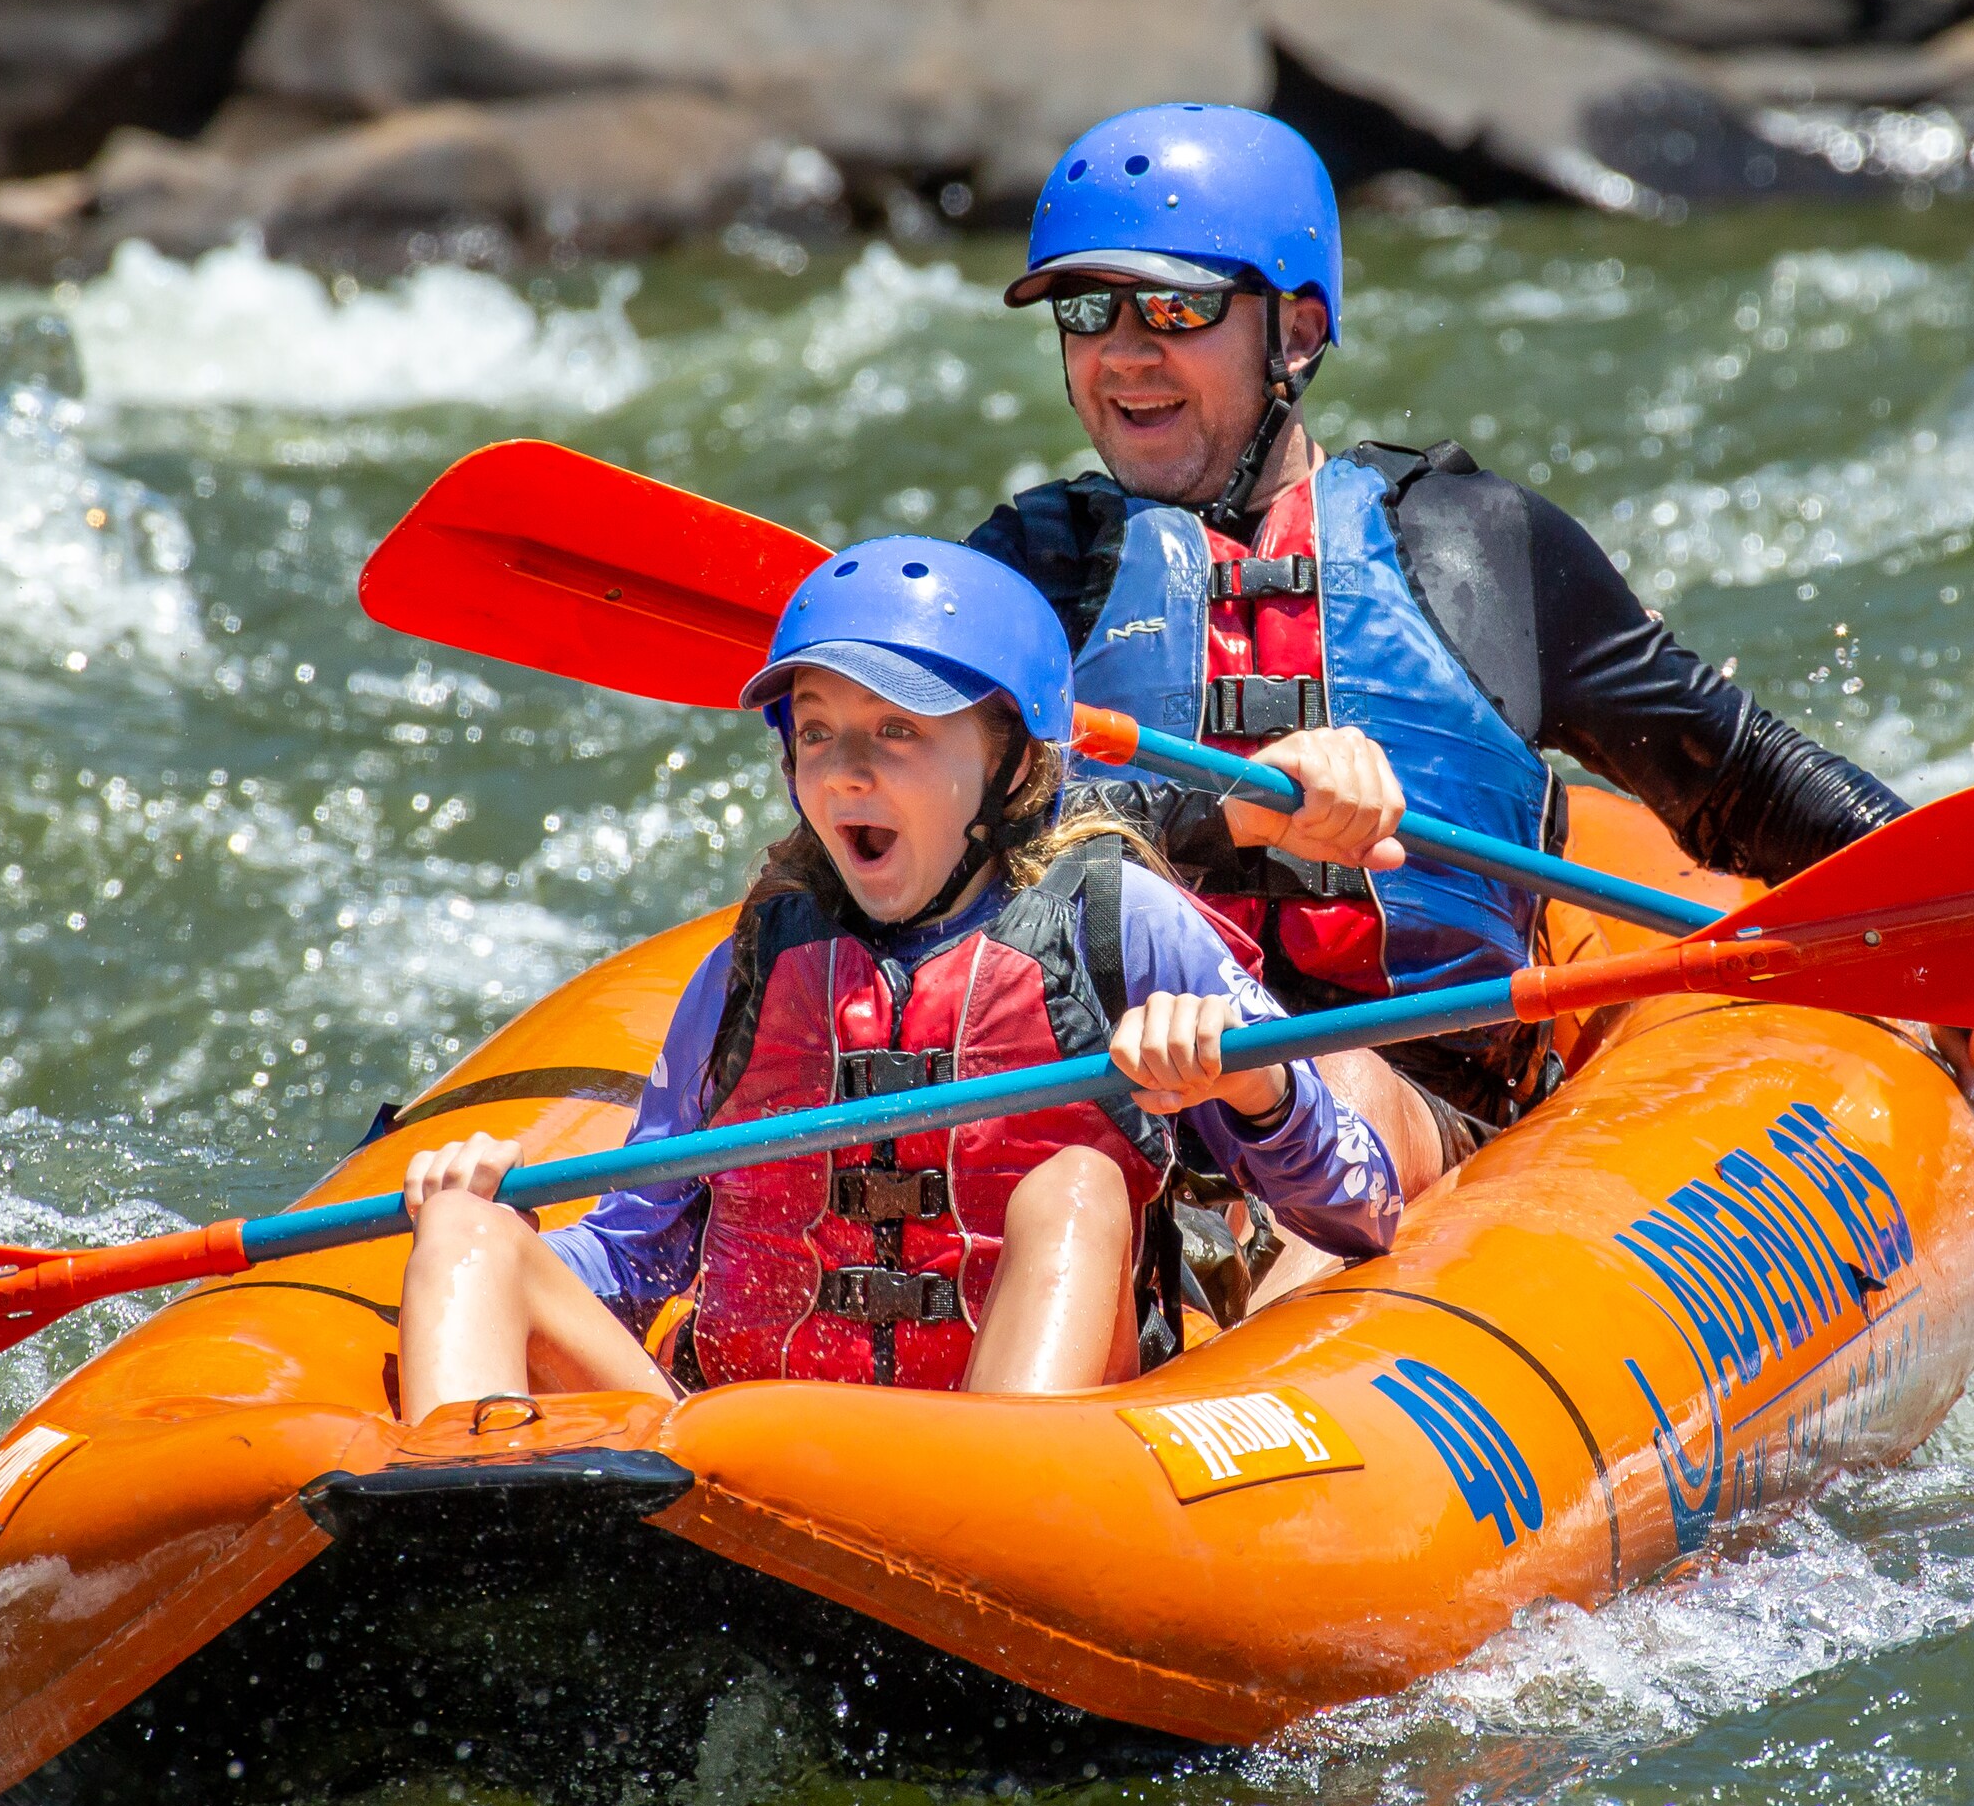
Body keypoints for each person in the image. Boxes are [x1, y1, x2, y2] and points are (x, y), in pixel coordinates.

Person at [972, 102, 1974, 1223]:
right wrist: (1222, 821)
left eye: (1176, 306)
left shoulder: (1473, 545)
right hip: (1121, 1119)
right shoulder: (1020, 576)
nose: (1121, 351)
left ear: (1296, 333)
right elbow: (917, 849)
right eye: (1087, 309)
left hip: (1417, 1123)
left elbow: (1742, 782)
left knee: (1342, 1083)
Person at [390, 537, 1401, 1421]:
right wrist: (496, 1208)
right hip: (744, 1461)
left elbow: (1363, 1211)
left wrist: (1250, 1084)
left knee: (1079, 1186)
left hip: (1013, 1471)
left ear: (1012, 760)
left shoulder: (1124, 927)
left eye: (898, 731)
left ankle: (996, 1531)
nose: (844, 773)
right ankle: (457, 1566)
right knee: (464, 1236)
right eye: (818, 730)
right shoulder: (753, 963)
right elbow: (630, 1255)